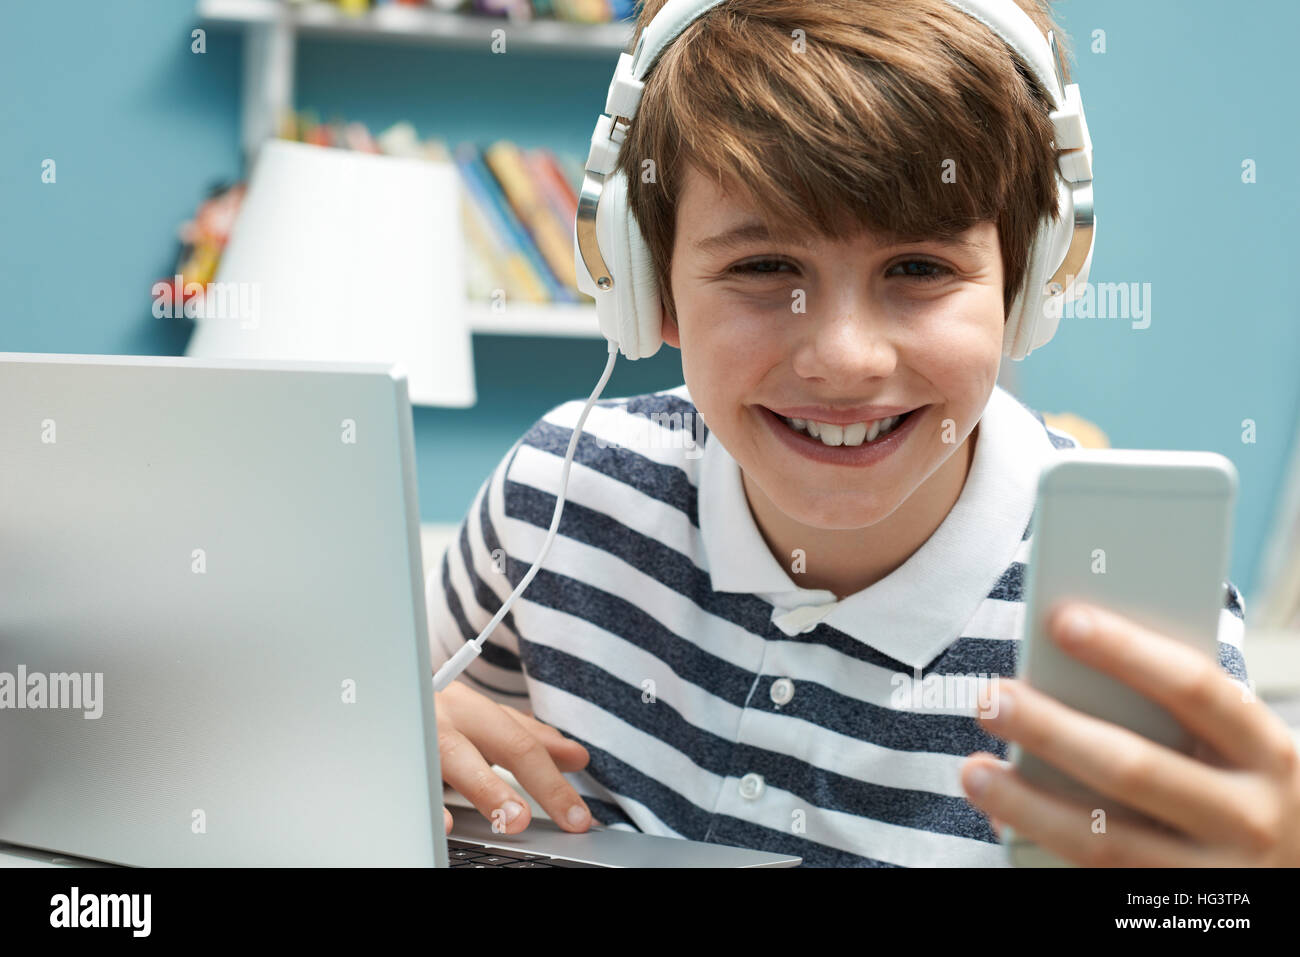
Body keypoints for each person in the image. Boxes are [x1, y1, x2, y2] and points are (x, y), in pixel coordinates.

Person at [428, 0, 1300, 866]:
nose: (844, 360)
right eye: (765, 267)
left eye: (918, 268)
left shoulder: (1129, 631)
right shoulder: (562, 491)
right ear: (646, 284)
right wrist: (383, 732)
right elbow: (395, 732)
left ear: (1029, 286)